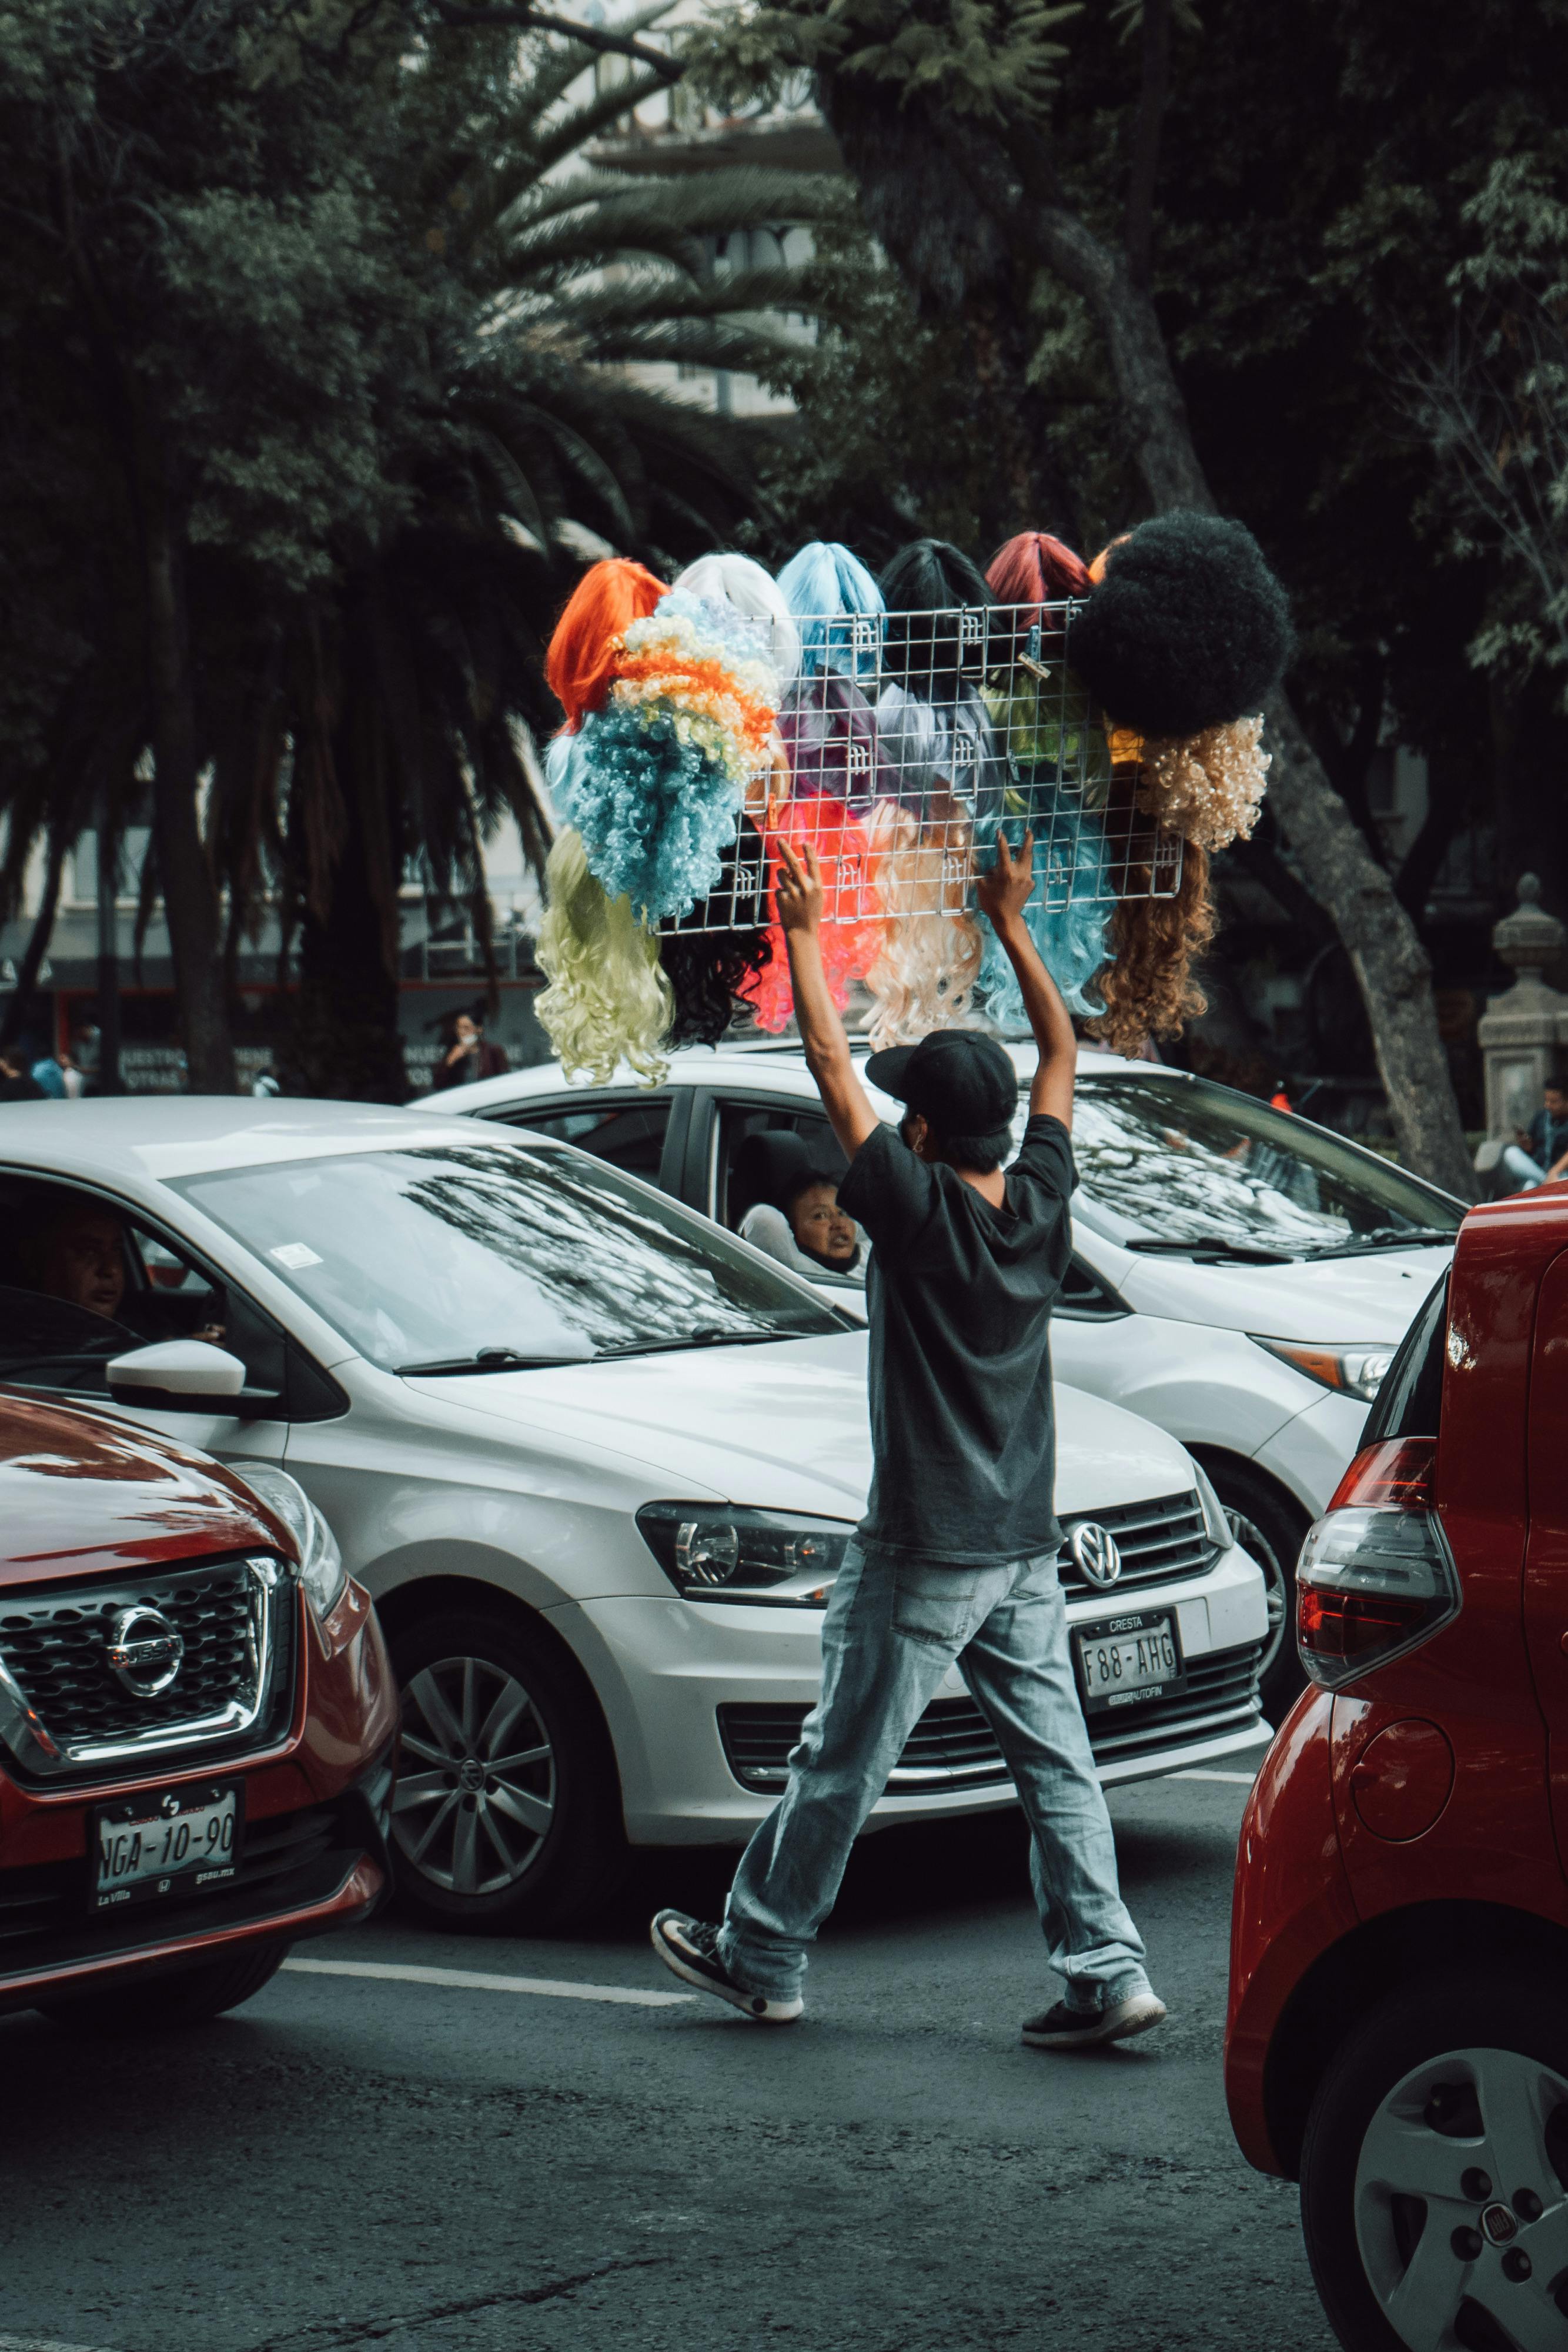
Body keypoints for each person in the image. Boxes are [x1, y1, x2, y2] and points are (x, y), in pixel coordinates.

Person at [651, 830, 1165, 2049]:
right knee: (1057, 1765)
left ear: (926, 1135)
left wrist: (805, 931)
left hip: (924, 1540)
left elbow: (830, 1064)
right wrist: (1010, 920)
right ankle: (1106, 1970)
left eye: (905, 1115)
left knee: (840, 1754)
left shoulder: (918, 1213)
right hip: (1022, 1537)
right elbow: (1059, 1050)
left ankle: (759, 1952)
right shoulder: (1038, 1205)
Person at [734, 1132, 868, 1282]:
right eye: (820, 1216)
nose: (839, 1224)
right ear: (793, 1234)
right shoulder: (796, 1270)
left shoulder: (869, 1258)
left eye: (842, 1213)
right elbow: (763, 1220)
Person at [1505, 1079, 1568, 1190]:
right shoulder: (1542, 1117)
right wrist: (1528, 1147)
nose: (1547, 1105)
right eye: (1546, 1101)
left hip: (1562, 1175)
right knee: (1511, 1153)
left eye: (1553, 1102)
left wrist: (1555, 1171)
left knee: (1530, 1186)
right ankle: (1548, 1183)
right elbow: (1533, 1149)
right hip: (1539, 1171)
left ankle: (1549, 1184)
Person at [431, 1007, 509, 1092]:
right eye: (459, 1028)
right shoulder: (453, 1052)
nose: (462, 1032)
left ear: (479, 1029)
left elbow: (504, 1082)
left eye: (466, 1028)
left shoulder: (493, 1051)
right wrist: (450, 1061)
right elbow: (438, 1085)